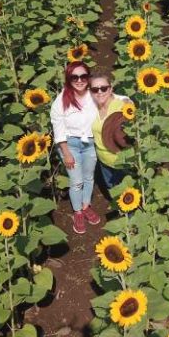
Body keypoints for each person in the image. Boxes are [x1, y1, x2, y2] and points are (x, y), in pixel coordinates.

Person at [50, 61, 101, 234]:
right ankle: (78, 212)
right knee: (76, 181)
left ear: (88, 77)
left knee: (89, 178)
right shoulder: (61, 101)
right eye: (75, 77)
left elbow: (114, 98)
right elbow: (58, 129)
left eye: (83, 76)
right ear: (69, 79)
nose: (79, 80)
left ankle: (86, 206)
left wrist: (127, 103)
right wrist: (66, 153)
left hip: (90, 143)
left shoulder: (94, 94)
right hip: (70, 145)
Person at [89, 73, 130, 190]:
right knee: (112, 189)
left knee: (128, 191)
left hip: (122, 160)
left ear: (111, 89)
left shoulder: (122, 106)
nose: (100, 92)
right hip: (103, 160)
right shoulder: (91, 109)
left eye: (104, 88)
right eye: (95, 89)